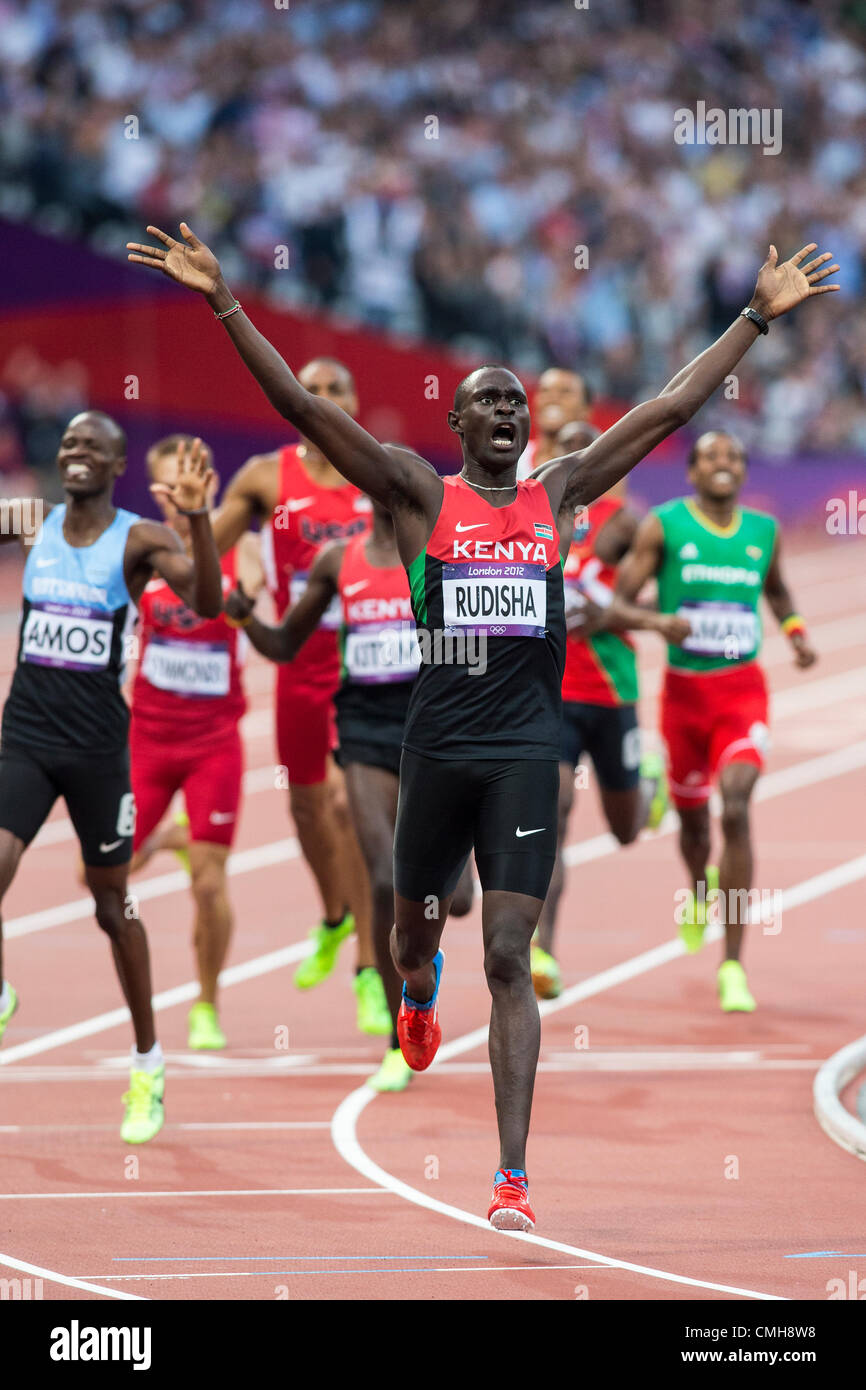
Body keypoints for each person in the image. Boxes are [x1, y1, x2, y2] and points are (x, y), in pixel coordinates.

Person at [128, 221, 838, 1228]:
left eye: (516, 401)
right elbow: (293, 403)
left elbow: (668, 406)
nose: (506, 411)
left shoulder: (558, 493)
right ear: (457, 425)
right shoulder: (417, 494)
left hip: (520, 752)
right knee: (413, 935)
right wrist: (222, 301)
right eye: (487, 402)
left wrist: (753, 321)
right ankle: (413, 991)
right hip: (434, 750)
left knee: (507, 950)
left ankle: (510, 1174)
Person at [0, 414, 222, 1142]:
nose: (76, 454)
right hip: (25, 737)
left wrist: (196, 519)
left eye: (92, 446)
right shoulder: (32, 519)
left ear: (119, 463)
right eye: (66, 443)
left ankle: (148, 1060)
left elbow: (210, 603)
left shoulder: (140, 539)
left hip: (98, 751)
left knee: (111, 904)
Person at [225, 461, 474, 1092]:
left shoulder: (441, 554)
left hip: (433, 732)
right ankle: (399, 1033)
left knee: (461, 899)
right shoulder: (338, 563)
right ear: (369, 489)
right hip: (362, 735)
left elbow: (474, 649)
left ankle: (428, 936)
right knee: (384, 875)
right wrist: (244, 617)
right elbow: (285, 645)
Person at [204, 358, 388, 1034]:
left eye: (336, 388)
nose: (323, 399)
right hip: (298, 666)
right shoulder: (263, 477)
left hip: (368, 667)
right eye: (310, 391)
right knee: (309, 813)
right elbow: (205, 554)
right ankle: (336, 918)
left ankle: (370, 968)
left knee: (348, 809)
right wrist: (211, 547)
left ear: (355, 399)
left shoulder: (381, 472)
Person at [615, 428, 818, 1011]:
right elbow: (619, 602)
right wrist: (657, 623)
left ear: (744, 470)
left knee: (735, 804)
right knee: (694, 827)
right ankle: (699, 889)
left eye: (732, 455)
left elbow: (776, 592)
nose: (722, 463)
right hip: (683, 700)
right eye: (710, 456)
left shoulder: (764, 531)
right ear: (692, 473)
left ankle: (732, 963)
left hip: (741, 695)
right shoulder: (665, 526)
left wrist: (797, 634)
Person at [529, 418, 690, 999]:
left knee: (624, 831)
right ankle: (541, 951)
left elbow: (639, 604)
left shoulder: (625, 524)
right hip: (555, 694)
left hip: (613, 693)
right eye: (563, 448)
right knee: (554, 814)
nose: (575, 459)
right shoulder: (534, 518)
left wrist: (610, 615)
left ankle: (651, 785)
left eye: (585, 449)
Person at [126, 434, 260, 1050]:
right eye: (166, 488)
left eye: (190, 484)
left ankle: (206, 1004)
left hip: (213, 742)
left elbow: (245, 594)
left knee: (209, 882)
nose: (179, 499)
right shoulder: (142, 551)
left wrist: (242, 599)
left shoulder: (240, 546)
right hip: (147, 740)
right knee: (95, 871)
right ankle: (175, 836)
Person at [516, 368, 593, 479]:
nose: (553, 398)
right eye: (545, 391)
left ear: (585, 410)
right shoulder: (512, 458)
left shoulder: (597, 468)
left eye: (565, 392)